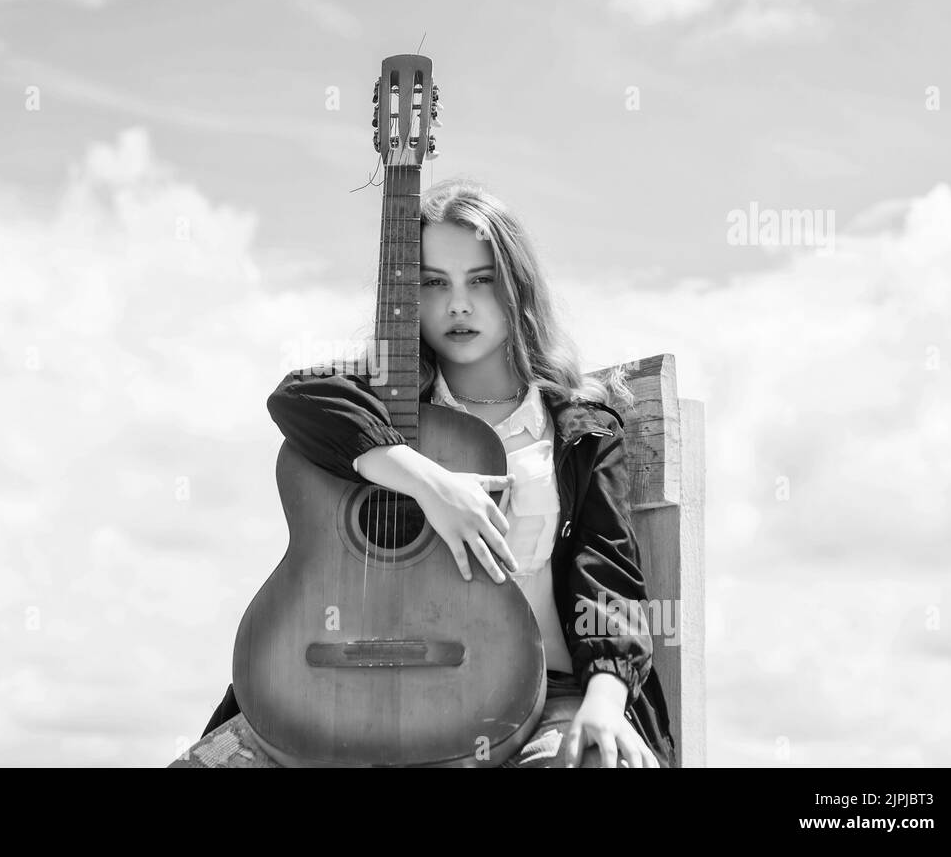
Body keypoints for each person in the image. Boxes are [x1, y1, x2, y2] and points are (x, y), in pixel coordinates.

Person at [202, 177, 677, 768]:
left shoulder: (579, 431)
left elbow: (607, 576)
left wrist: (606, 700)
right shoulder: (391, 404)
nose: (458, 304)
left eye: (481, 281)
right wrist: (429, 483)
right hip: (336, 688)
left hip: (533, 695)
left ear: (518, 290)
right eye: (433, 283)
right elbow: (295, 396)